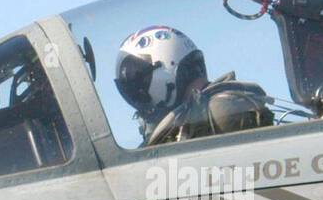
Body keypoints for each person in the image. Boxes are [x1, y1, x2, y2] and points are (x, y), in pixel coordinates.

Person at [114, 25, 273, 146]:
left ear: (166, 69)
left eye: (139, 80)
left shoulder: (222, 115)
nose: (136, 93)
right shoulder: (182, 128)